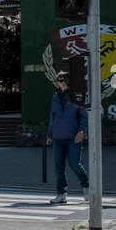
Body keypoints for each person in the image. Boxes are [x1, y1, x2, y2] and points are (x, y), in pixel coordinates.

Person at [46, 71, 89, 204]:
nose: (62, 83)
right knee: (59, 167)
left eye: (64, 80)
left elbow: (84, 116)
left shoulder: (77, 96)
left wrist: (82, 131)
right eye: (59, 80)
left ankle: (87, 187)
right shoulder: (55, 97)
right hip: (58, 137)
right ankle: (61, 194)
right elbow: (52, 116)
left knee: (74, 163)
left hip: (73, 137)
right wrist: (49, 134)